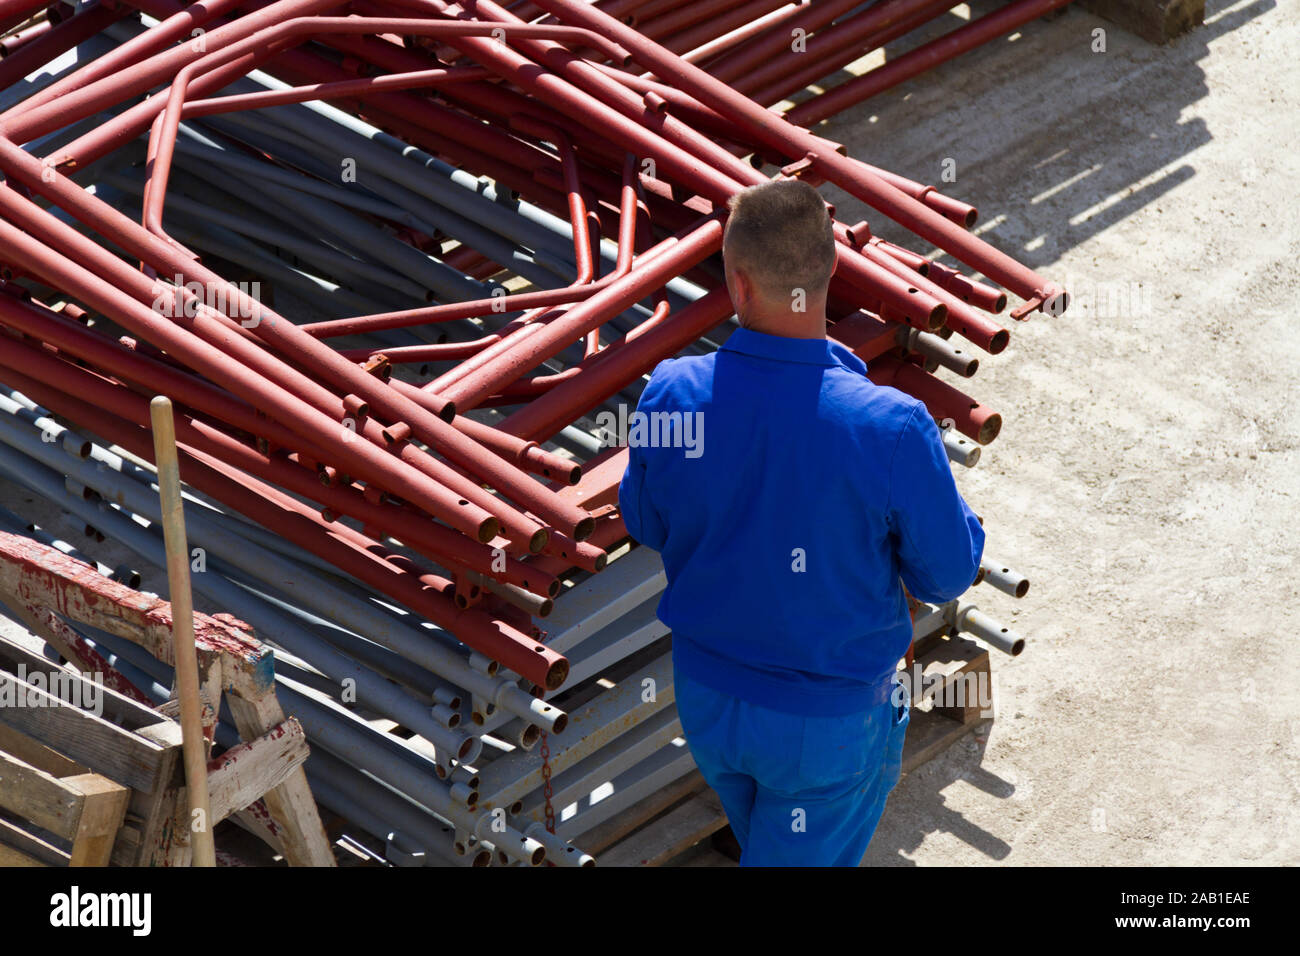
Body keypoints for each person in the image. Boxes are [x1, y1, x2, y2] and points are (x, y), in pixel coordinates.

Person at [617, 179, 985, 866]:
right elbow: (947, 573)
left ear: (737, 281)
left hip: (710, 699)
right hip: (829, 724)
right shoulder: (889, 427)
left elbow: (646, 520)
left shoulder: (671, 394)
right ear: (830, 272)